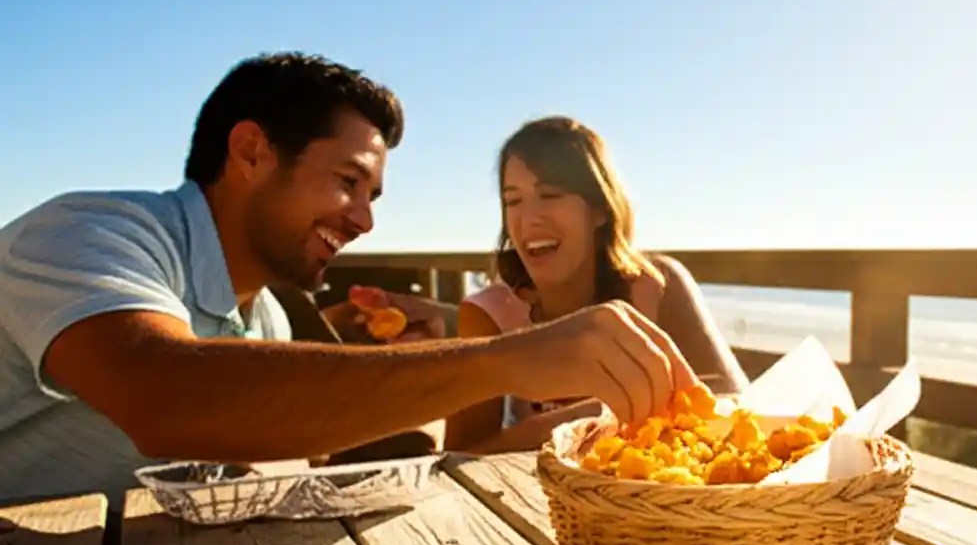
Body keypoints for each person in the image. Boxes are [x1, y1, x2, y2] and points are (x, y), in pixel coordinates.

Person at [0, 53, 700, 505]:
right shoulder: (86, 233)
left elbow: (258, 457)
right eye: (347, 183)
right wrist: (505, 360)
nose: (364, 220)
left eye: (373, 197)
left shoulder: (267, 318)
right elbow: (165, 397)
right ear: (251, 152)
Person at [445, 116, 748, 453]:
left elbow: (731, 394)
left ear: (601, 209)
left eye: (550, 194)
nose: (529, 218)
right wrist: (621, 406)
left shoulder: (657, 284)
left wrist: (599, 411)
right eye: (513, 201)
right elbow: (462, 452)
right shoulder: (487, 314)